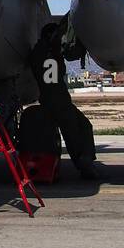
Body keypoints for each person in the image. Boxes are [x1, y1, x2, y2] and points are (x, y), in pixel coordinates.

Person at [29, 19, 97, 179]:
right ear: (50, 36)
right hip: (58, 101)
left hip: (51, 99)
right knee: (76, 132)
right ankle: (85, 166)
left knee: (81, 128)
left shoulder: (39, 52)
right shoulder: (49, 55)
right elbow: (52, 81)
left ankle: (84, 163)